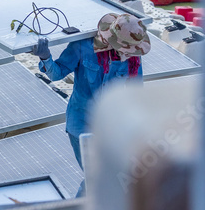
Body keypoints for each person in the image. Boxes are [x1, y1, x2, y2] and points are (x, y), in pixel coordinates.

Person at [31, 12, 150, 192]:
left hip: (111, 127)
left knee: (111, 179)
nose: (128, 54)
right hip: (81, 124)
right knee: (95, 179)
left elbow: (135, 95)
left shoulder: (132, 55)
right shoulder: (82, 46)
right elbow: (56, 74)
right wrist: (45, 57)